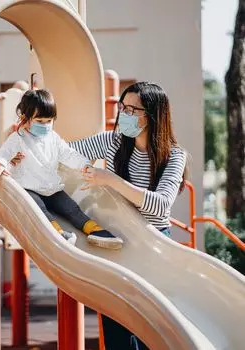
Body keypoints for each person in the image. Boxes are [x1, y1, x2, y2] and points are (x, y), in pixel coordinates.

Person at [11, 82, 188, 349]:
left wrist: (110, 179)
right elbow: (59, 155)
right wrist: (23, 144)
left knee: (147, 324)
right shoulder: (112, 141)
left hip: (152, 246)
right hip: (115, 241)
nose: (125, 113)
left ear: (152, 115)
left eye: (133, 109)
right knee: (116, 323)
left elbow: (160, 206)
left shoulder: (174, 156)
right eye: (123, 107)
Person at [0, 89, 124, 250]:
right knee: (39, 210)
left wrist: (85, 165)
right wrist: (0, 163)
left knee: (71, 208)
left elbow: (68, 154)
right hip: (29, 189)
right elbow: (4, 152)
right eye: (40, 121)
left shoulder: (53, 137)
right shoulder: (18, 138)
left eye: (49, 121)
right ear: (26, 118)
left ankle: (95, 230)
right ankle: (58, 233)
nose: (45, 125)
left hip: (52, 188)